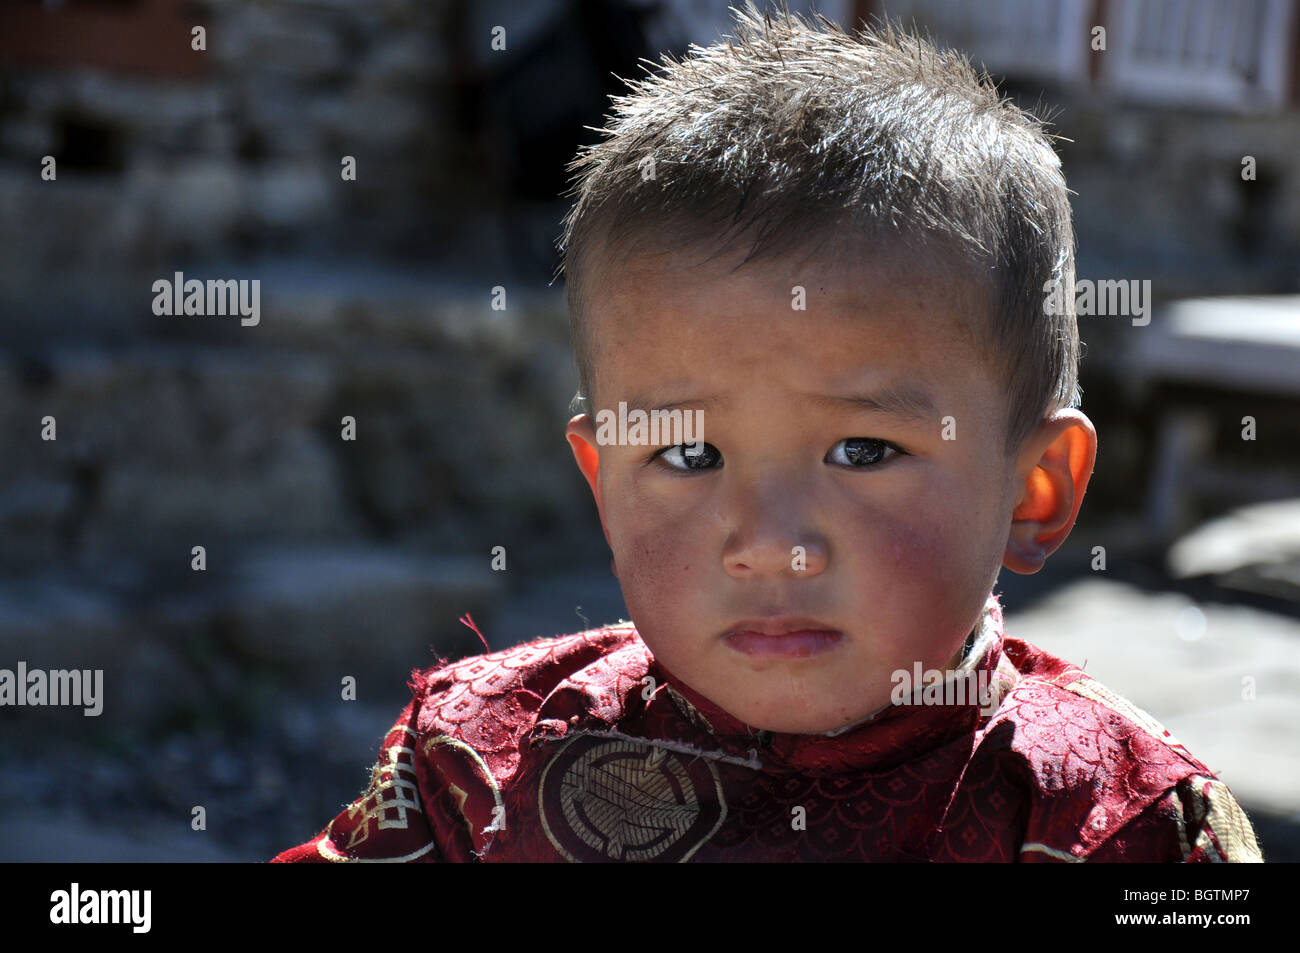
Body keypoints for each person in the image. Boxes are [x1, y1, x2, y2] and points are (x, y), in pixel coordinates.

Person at [272, 2, 1262, 863]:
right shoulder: (477, 758)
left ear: (1036, 486)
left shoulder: (1113, 819)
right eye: (686, 454)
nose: (767, 541)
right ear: (602, 480)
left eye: (863, 450)